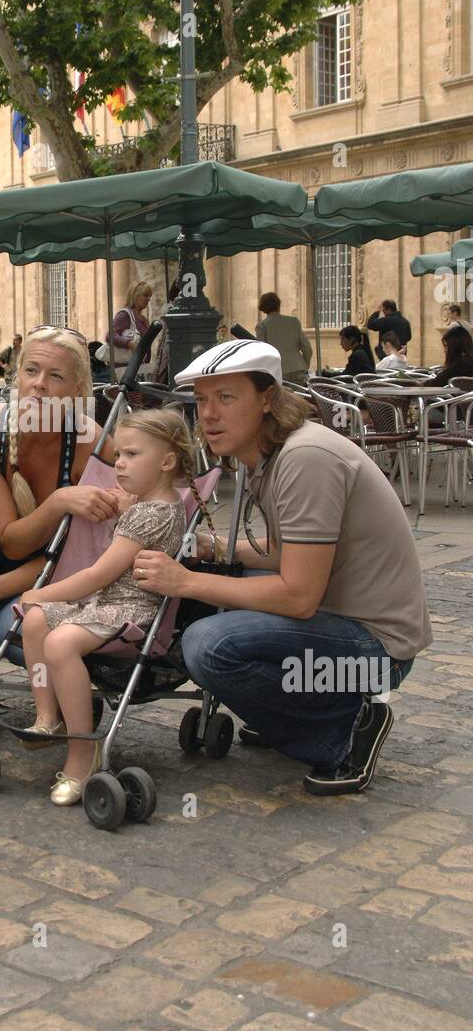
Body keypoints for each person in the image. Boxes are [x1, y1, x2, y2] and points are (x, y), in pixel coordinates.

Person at [132, 339, 430, 796]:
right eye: (202, 399)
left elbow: (297, 594)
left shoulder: (304, 458)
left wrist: (188, 579)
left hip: (376, 651)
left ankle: (345, 731)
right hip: (340, 623)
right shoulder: (273, 454)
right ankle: (295, 710)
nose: (208, 414)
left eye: (226, 398)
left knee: (208, 643)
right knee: (218, 599)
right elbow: (289, 551)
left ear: (267, 399)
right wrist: (215, 550)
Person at [0, 326, 117, 702]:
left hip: (62, 578)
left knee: (12, 636)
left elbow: (87, 556)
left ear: (79, 391)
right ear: (16, 377)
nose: (40, 385)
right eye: (31, 371)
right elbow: (12, 543)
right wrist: (59, 501)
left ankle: (70, 685)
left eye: (56, 376)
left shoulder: (92, 444)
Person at [19, 409, 190, 805]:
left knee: (56, 637)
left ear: (166, 462)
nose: (119, 464)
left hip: (132, 611)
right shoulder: (156, 502)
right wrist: (124, 498)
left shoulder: (150, 516)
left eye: (131, 455)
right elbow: (132, 501)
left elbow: (97, 575)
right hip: (106, 605)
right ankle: (48, 718)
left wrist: (41, 592)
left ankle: (83, 750)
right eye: (117, 456)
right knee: (35, 623)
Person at [254, 292, 312, 386]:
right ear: (278, 304)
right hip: (298, 370)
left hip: (278, 372)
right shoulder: (293, 322)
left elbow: (262, 354)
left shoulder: (262, 326)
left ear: (263, 307)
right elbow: (307, 348)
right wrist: (304, 365)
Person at [107, 280, 153, 382]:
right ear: (135, 296)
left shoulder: (144, 319)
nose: (148, 299)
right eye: (145, 295)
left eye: (150, 296)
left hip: (140, 368)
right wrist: (129, 344)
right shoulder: (124, 315)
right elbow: (110, 335)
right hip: (126, 369)